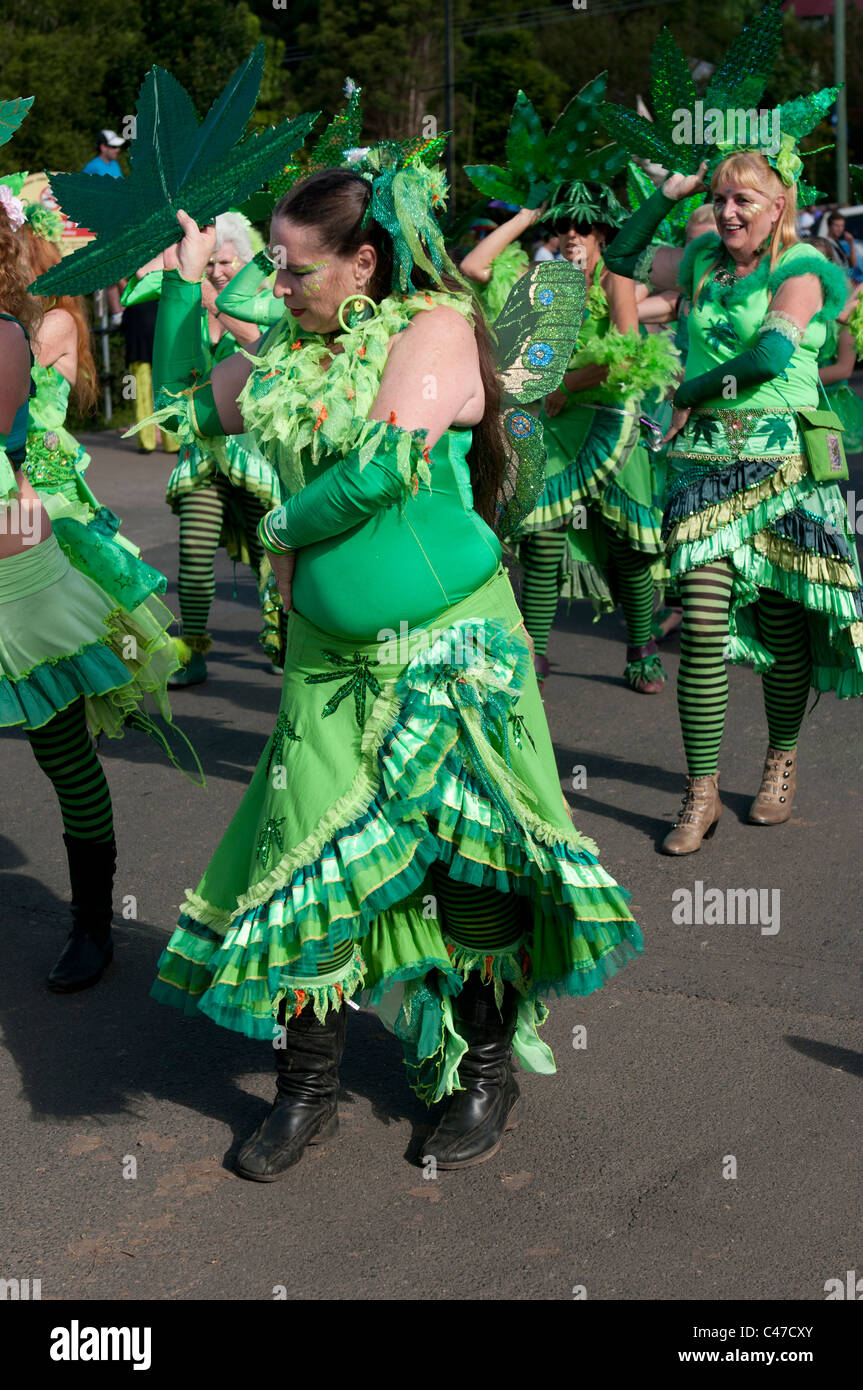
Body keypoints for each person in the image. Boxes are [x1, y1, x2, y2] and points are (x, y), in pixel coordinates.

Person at [147, 151, 643, 1180]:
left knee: (471, 863)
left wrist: (280, 524)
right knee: (303, 871)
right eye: (271, 270)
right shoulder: (287, 350)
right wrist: (180, 281)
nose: (276, 288)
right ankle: (308, 1088)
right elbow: (188, 411)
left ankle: (485, 1069)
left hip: (449, 652)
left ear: (362, 263)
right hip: (329, 664)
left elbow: (377, 470)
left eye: (293, 269)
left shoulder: (431, 330)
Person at [604, 149, 863, 853]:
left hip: (785, 467)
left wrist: (685, 392)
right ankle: (701, 792)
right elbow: (620, 263)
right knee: (704, 629)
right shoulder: (700, 265)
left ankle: (779, 761)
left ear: (779, 206)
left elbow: (769, 360)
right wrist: (666, 195)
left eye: (743, 200)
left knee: (781, 636)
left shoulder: (803, 268)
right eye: (718, 199)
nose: (726, 213)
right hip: (703, 471)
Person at [0, 172, 181, 993]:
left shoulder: (27, 330)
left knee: (62, 754)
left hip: (23, 552)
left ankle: (91, 924)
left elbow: (17, 438)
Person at [516, 186, 680, 694]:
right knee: (541, 533)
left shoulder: (617, 281)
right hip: (558, 422)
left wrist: (567, 383)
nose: (570, 237)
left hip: (610, 418)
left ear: (602, 234)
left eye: (581, 229)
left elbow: (628, 357)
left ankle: (640, 645)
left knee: (625, 543)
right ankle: (533, 653)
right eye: (562, 228)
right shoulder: (546, 282)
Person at [130, 212, 289, 682]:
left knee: (272, 552)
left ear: (245, 261)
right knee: (194, 552)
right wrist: (185, 277)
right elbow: (176, 379)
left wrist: (216, 302)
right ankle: (193, 650)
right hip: (203, 449)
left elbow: (261, 346)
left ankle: (281, 640)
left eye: (225, 261)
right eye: (212, 262)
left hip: (256, 452)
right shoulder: (191, 303)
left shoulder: (266, 302)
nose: (217, 270)